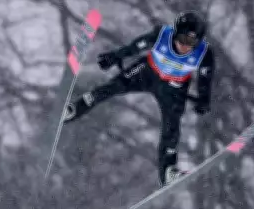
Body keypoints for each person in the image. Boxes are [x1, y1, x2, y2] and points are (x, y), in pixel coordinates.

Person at [63, 11, 215, 186]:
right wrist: (115, 56)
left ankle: (168, 171)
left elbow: (206, 79)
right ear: (175, 33)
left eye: (192, 43)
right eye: (182, 39)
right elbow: (135, 46)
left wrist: (204, 99)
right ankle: (76, 108)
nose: (185, 46)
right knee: (113, 86)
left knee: (172, 126)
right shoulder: (161, 35)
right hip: (147, 72)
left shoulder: (204, 54)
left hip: (174, 88)